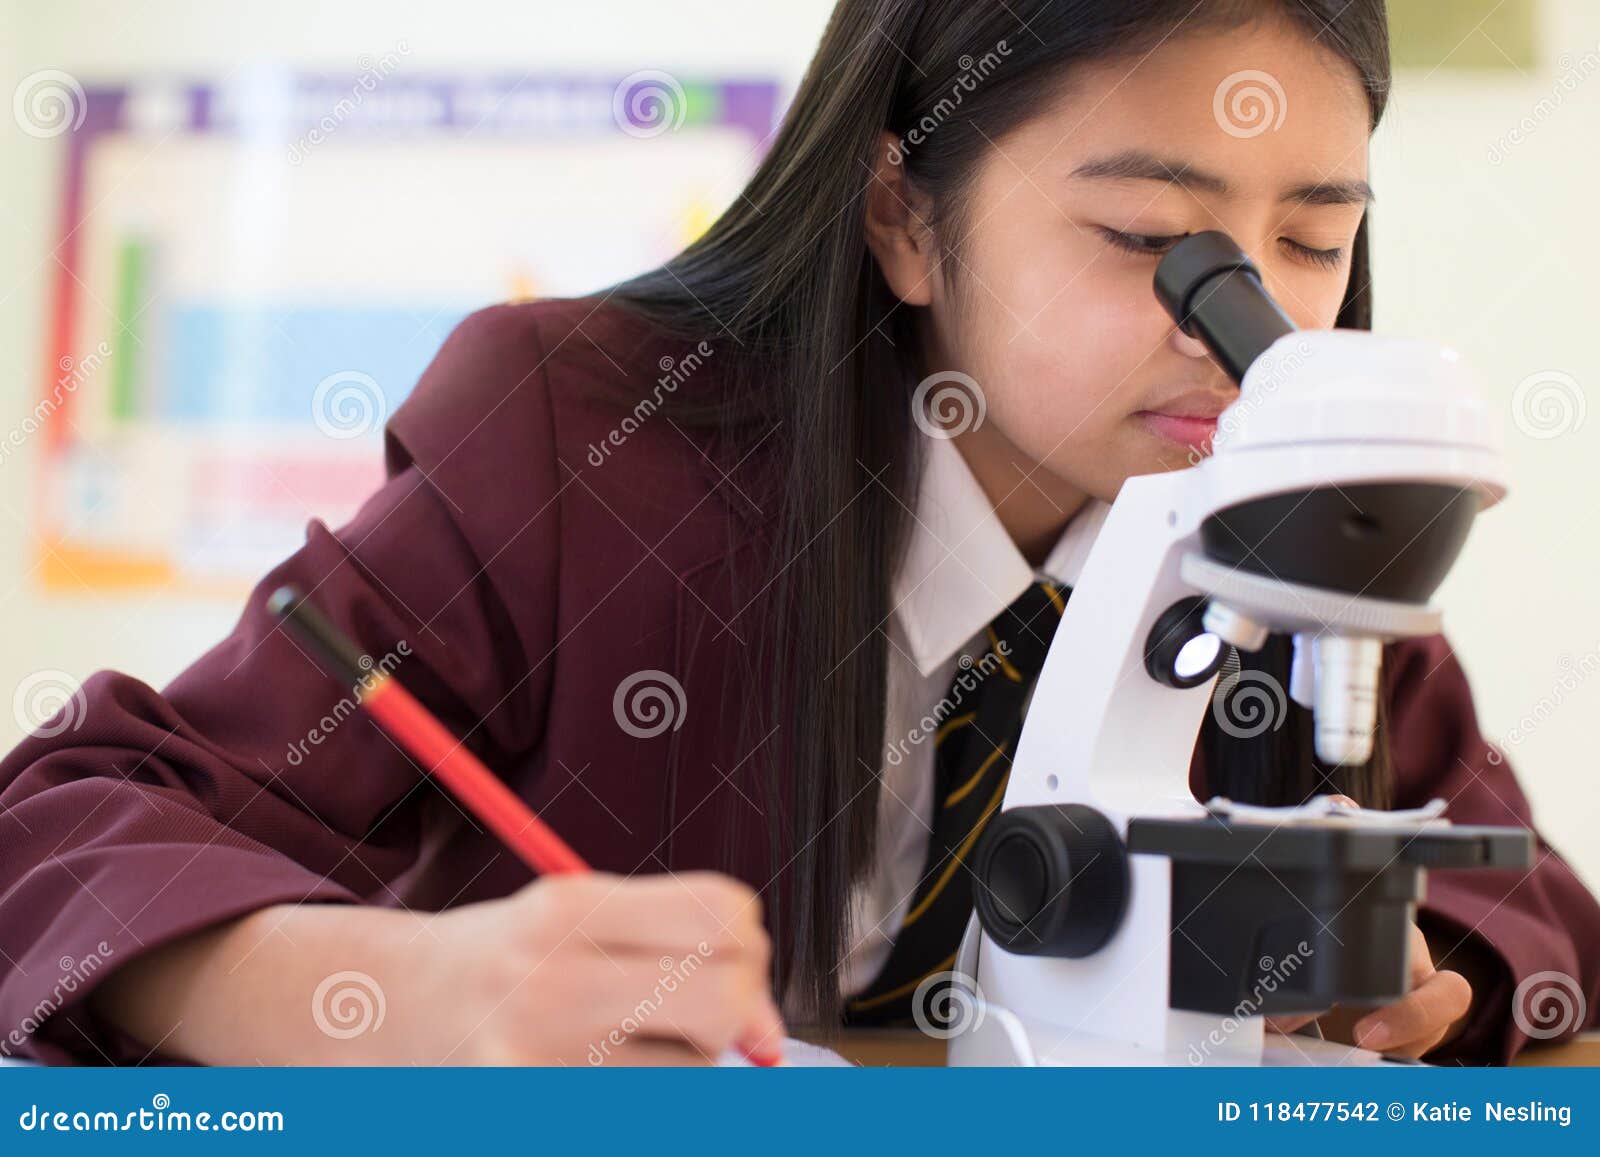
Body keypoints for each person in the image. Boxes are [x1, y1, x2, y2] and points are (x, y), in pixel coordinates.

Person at [2, 0, 1595, 1066]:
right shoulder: (581, 446)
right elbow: (68, 826)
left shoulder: (1283, 513)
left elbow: (1530, 924)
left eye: (1315, 241)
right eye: (1154, 243)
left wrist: (1416, 987)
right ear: (905, 215)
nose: (1243, 331)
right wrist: (413, 994)